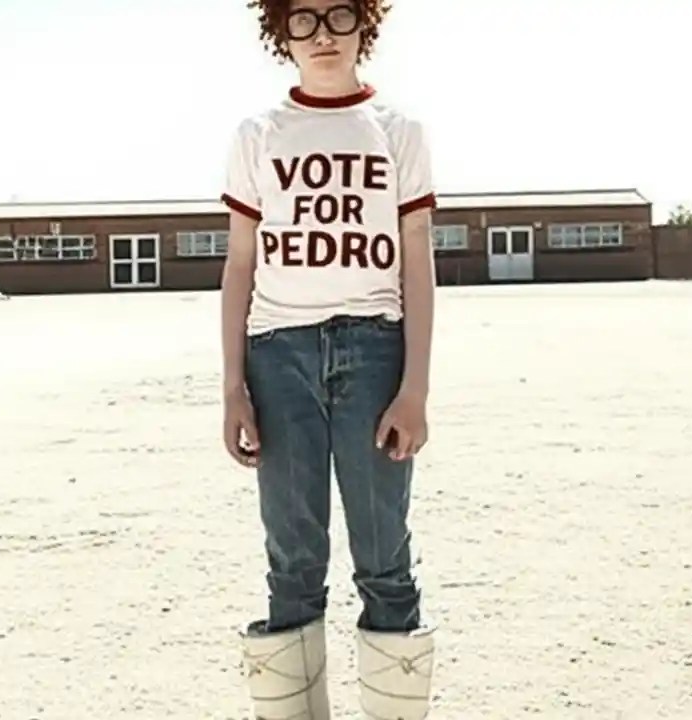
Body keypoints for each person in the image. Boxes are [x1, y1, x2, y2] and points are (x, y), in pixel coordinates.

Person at [218, 0, 438, 717]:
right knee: (293, 563)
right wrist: (232, 388)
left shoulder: (399, 131)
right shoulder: (258, 135)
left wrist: (415, 389)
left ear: (365, 24)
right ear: (280, 29)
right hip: (277, 356)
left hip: (375, 352)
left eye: (338, 15)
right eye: (303, 19)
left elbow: (418, 262)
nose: (321, 35)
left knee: (384, 561)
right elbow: (240, 263)